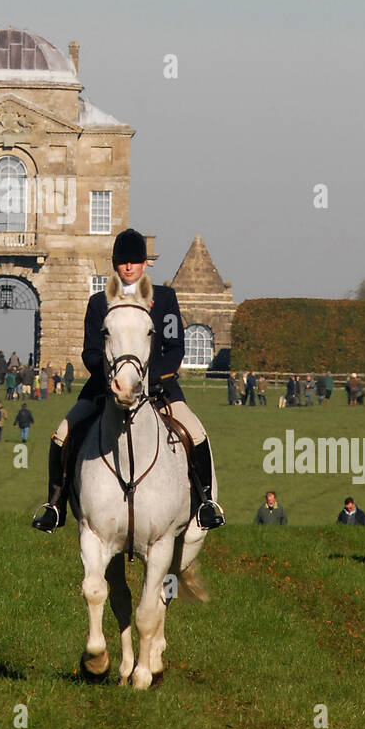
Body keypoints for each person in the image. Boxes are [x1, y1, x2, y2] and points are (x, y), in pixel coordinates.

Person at [32, 227, 224, 534]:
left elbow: (175, 349)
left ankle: (204, 502)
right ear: (115, 264)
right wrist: (112, 379)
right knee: (62, 434)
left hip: (160, 388)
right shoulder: (98, 303)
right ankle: (55, 504)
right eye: (123, 262)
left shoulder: (164, 299)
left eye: (135, 261)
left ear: (145, 263)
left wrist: (148, 381)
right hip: (105, 387)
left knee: (197, 432)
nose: (129, 267)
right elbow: (91, 353)